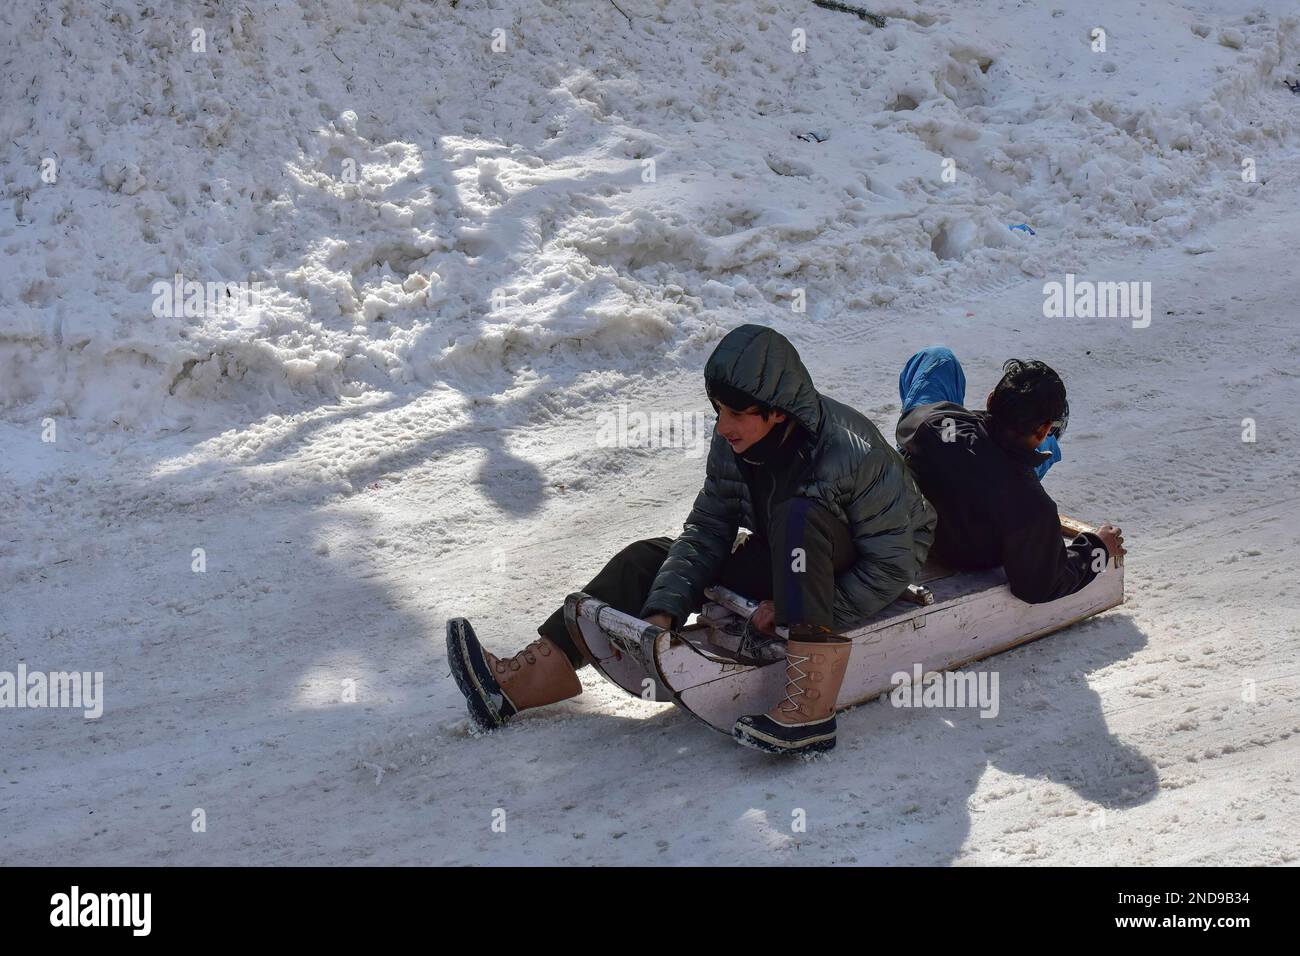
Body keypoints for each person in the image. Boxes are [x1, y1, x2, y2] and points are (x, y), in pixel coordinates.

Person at [447, 324, 936, 755]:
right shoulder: (735, 445)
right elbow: (707, 529)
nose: (722, 428)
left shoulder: (851, 452)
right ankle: (515, 685)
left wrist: (797, 610)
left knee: (798, 516)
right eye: (717, 410)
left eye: (736, 414)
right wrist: (662, 614)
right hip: (788, 554)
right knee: (646, 561)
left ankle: (810, 712)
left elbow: (896, 564)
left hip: (854, 562)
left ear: (778, 413)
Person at [895, 346, 1126, 604]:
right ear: (1043, 429)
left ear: (991, 399)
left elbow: (914, 422)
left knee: (938, 359)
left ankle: (1000, 439)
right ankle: (1041, 441)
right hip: (980, 523)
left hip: (933, 485)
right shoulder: (1033, 508)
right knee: (1049, 448)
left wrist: (972, 430)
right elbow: (1039, 586)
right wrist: (1098, 549)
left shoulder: (935, 428)